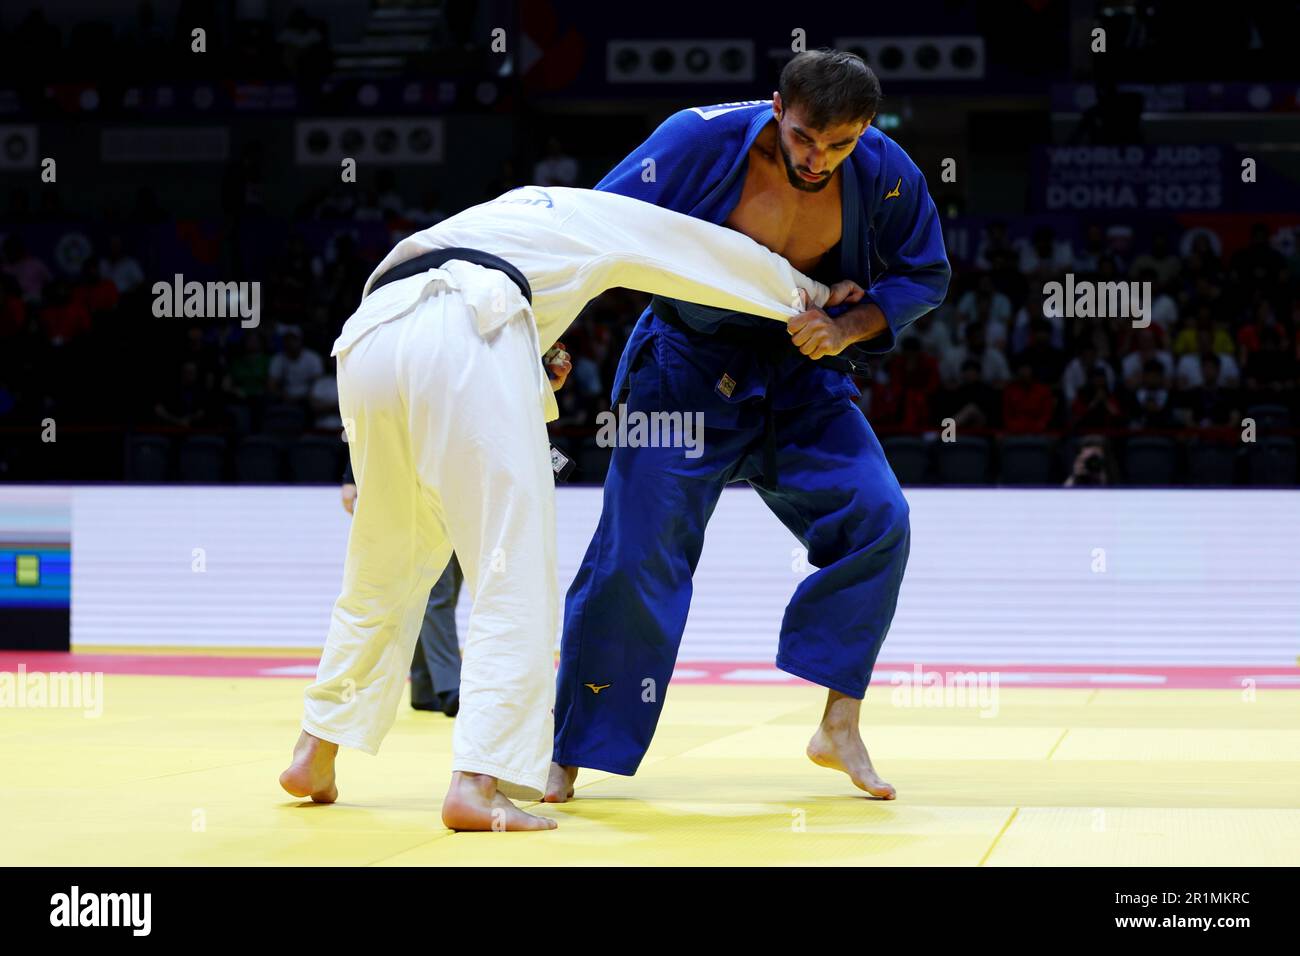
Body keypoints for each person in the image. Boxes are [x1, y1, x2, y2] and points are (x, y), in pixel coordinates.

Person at [278, 184, 860, 831]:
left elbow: (454, 314)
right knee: (511, 568)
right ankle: (478, 781)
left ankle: (316, 749)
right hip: (469, 326)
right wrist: (807, 292)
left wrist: (525, 357)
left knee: (381, 568)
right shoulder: (592, 212)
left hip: (368, 337)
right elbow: (695, 251)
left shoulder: (485, 217)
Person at [548, 50, 950, 804]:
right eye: (804, 137)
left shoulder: (886, 172)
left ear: (865, 132)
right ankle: (568, 750)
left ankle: (838, 723)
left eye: (840, 145)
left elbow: (924, 275)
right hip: (684, 372)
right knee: (636, 552)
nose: (817, 159)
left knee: (879, 519)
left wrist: (851, 327)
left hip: (803, 375)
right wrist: (549, 336)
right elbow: (586, 231)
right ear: (776, 107)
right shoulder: (695, 141)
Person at [340, 461, 463, 716]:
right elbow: (370, 421)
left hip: (461, 479)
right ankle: (451, 687)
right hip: (416, 479)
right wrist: (351, 476)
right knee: (437, 587)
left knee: (443, 585)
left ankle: (425, 685)